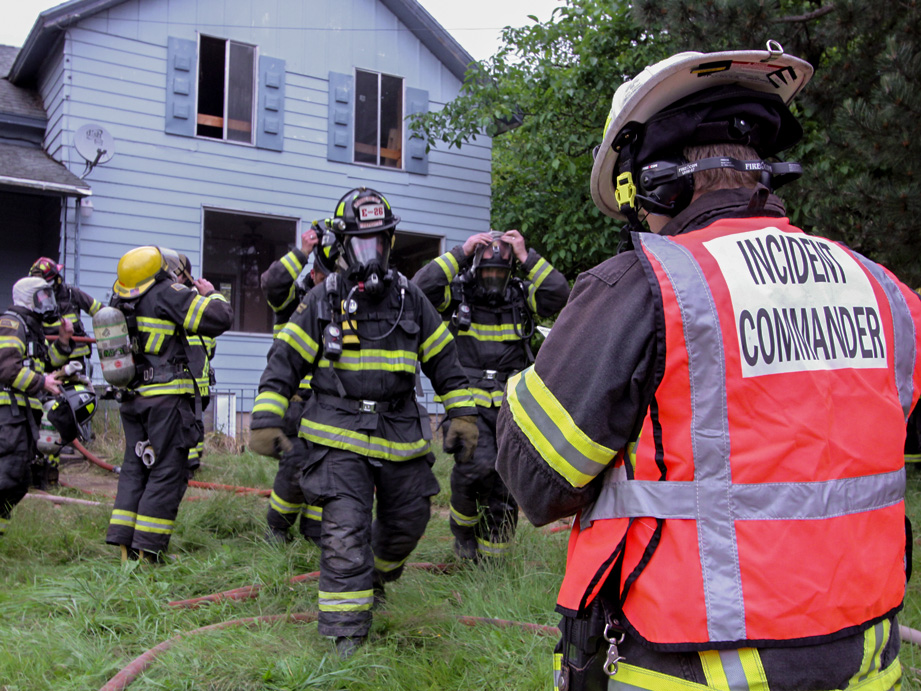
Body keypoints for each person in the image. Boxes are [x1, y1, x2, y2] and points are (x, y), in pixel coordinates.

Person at [496, 45, 921, 690]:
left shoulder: (645, 285)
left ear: (652, 184)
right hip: (865, 661)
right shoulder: (887, 291)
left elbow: (537, 477)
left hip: (692, 666)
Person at [250, 187, 478, 657]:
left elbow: (445, 360)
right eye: (360, 244)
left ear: (389, 243)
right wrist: (268, 419)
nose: (370, 255)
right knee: (345, 529)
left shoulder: (410, 299)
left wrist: (463, 413)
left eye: (378, 243)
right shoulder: (321, 299)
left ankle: (371, 579)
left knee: (408, 522)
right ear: (344, 245)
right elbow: (285, 359)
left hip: (399, 433)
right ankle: (345, 641)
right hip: (336, 433)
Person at [413, 229, 568, 561]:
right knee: (475, 470)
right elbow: (420, 288)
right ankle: (464, 538)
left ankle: (494, 561)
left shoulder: (520, 296)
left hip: (512, 407)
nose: (494, 278)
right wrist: (461, 251)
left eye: (500, 272)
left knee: (506, 481)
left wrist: (527, 257)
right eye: (488, 272)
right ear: (476, 269)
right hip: (468, 406)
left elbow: (559, 295)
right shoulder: (458, 296)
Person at [104, 246, 232, 562]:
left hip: (133, 398)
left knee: (135, 469)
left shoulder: (120, 299)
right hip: (165, 399)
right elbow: (219, 318)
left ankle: (126, 551)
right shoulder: (166, 292)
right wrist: (212, 294)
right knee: (166, 471)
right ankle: (149, 554)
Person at [260, 222, 339, 545]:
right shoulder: (294, 299)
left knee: (328, 467)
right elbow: (272, 283)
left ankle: (314, 532)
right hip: (296, 400)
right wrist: (302, 251)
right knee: (296, 465)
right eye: (323, 274)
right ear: (315, 272)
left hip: (331, 401)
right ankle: (277, 527)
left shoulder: (343, 301)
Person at [0, 277, 73, 536]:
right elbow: (7, 369)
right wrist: (42, 382)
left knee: (19, 480)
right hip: (7, 413)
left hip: (22, 414)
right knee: (8, 477)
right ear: (27, 298)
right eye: (42, 297)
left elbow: (44, 364)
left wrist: (63, 342)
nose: (48, 303)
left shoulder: (32, 328)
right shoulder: (11, 324)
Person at [29, 257, 103, 486]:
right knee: (49, 415)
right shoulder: (34, 301)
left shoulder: (71, 295)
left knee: (72, 408)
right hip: (50, 362)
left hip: (75, 363)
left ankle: (67, 450)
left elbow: (99, 312)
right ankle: (46, 466)